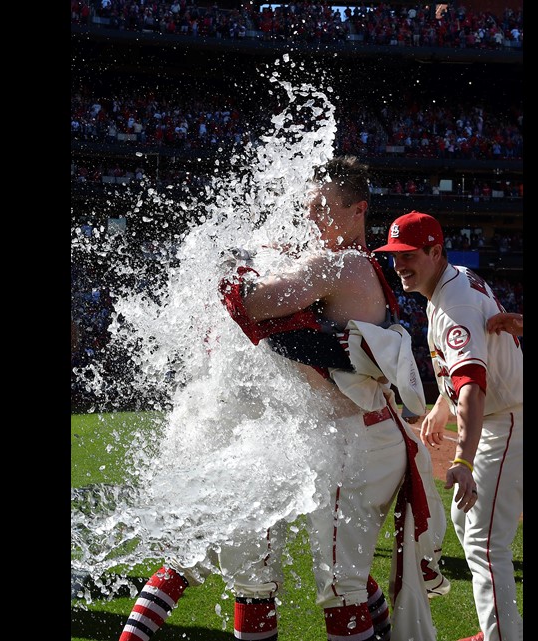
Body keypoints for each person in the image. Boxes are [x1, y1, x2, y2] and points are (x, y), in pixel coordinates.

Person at [120, 158, 446, 641]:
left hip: (352, 442)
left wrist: (230, 266)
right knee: (338, 576)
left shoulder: (336, 264)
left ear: (357, 210)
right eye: (308, 207)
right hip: (363, 435)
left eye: (322, 208)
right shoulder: (360, 266)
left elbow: (253, 305)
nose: (312, 217)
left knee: (335, 586)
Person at [374, 211, 523, 641]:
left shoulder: (454, 302)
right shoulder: (454, 280)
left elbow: (473, 384)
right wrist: (442, 403)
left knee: (484, 544)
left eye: (408, 255)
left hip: (503, 420)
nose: (398, 264)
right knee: (465, 515)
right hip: (501, 415)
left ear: (435, 251)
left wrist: (463, 460)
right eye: (394, 255)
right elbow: (464, 373)